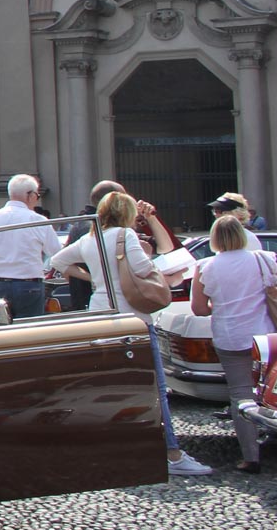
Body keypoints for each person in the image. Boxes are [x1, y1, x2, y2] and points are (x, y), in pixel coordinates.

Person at [50, 190, 212, 477]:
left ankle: (116, 447)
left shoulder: (90, 239)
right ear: (126, 213)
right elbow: (146, 270)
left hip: (99, 315)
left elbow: (58, 261)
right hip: (131, 318)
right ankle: (171, 453)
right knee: (156, 387)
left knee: (111, 386)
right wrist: (165, 275)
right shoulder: (126, 237)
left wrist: (96, 280)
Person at [193, 211, 277, 474]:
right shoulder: (263, 259)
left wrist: (218, 303)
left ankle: (250, 457)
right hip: (264, 337)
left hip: (230, 336)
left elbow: (199, 309)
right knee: (274, 392)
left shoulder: (205, 267)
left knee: (240, 395)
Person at [0, 174, 59, 319]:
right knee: (29, 333)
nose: (37, 198)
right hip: (30, 286)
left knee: (0, 334)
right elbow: (57, 253)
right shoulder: (38, 220)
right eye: (37, 195)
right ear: (29, 195)